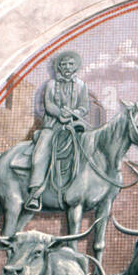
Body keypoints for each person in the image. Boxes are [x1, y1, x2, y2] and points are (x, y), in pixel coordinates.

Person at [25, 50, 90, 212]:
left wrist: (77, 113)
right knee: (40, 153)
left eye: (70, 64)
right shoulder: (51, 84)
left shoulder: (81, 85)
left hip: (74, 126)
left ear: (75, 67)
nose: (67, 67)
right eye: (64, 64)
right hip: (52, 126)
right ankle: (35, 193)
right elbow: (48, 105)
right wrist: (60, 114)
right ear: (58, 67)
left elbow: (84, 106)